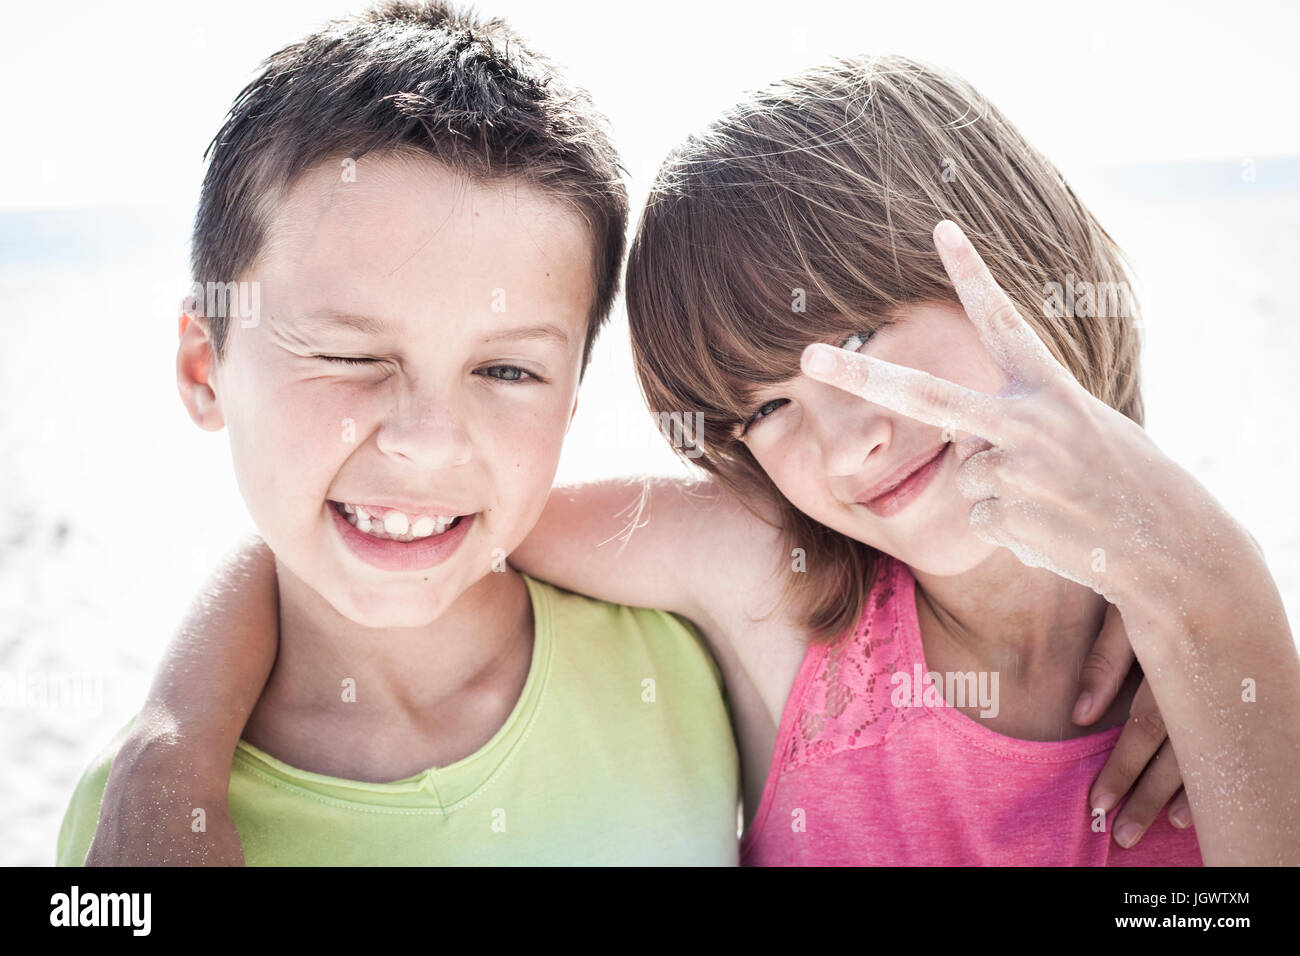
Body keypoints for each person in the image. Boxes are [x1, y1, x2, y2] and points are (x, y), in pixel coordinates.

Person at [84, 55, 1270, 865]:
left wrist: (1212, 606)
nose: (847, 436)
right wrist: (169, 743)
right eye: (764, 404)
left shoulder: (1227, 657)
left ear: (1019, 251)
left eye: (861, 341)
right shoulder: (768, 582)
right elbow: (412, 514)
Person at [56, 0, 742, 866]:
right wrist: (170, 747)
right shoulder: (137, 828)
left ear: (572, 400)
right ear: (205, 367)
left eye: (507, 371)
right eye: (348, 355)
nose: (428, 441)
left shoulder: (693, 655)